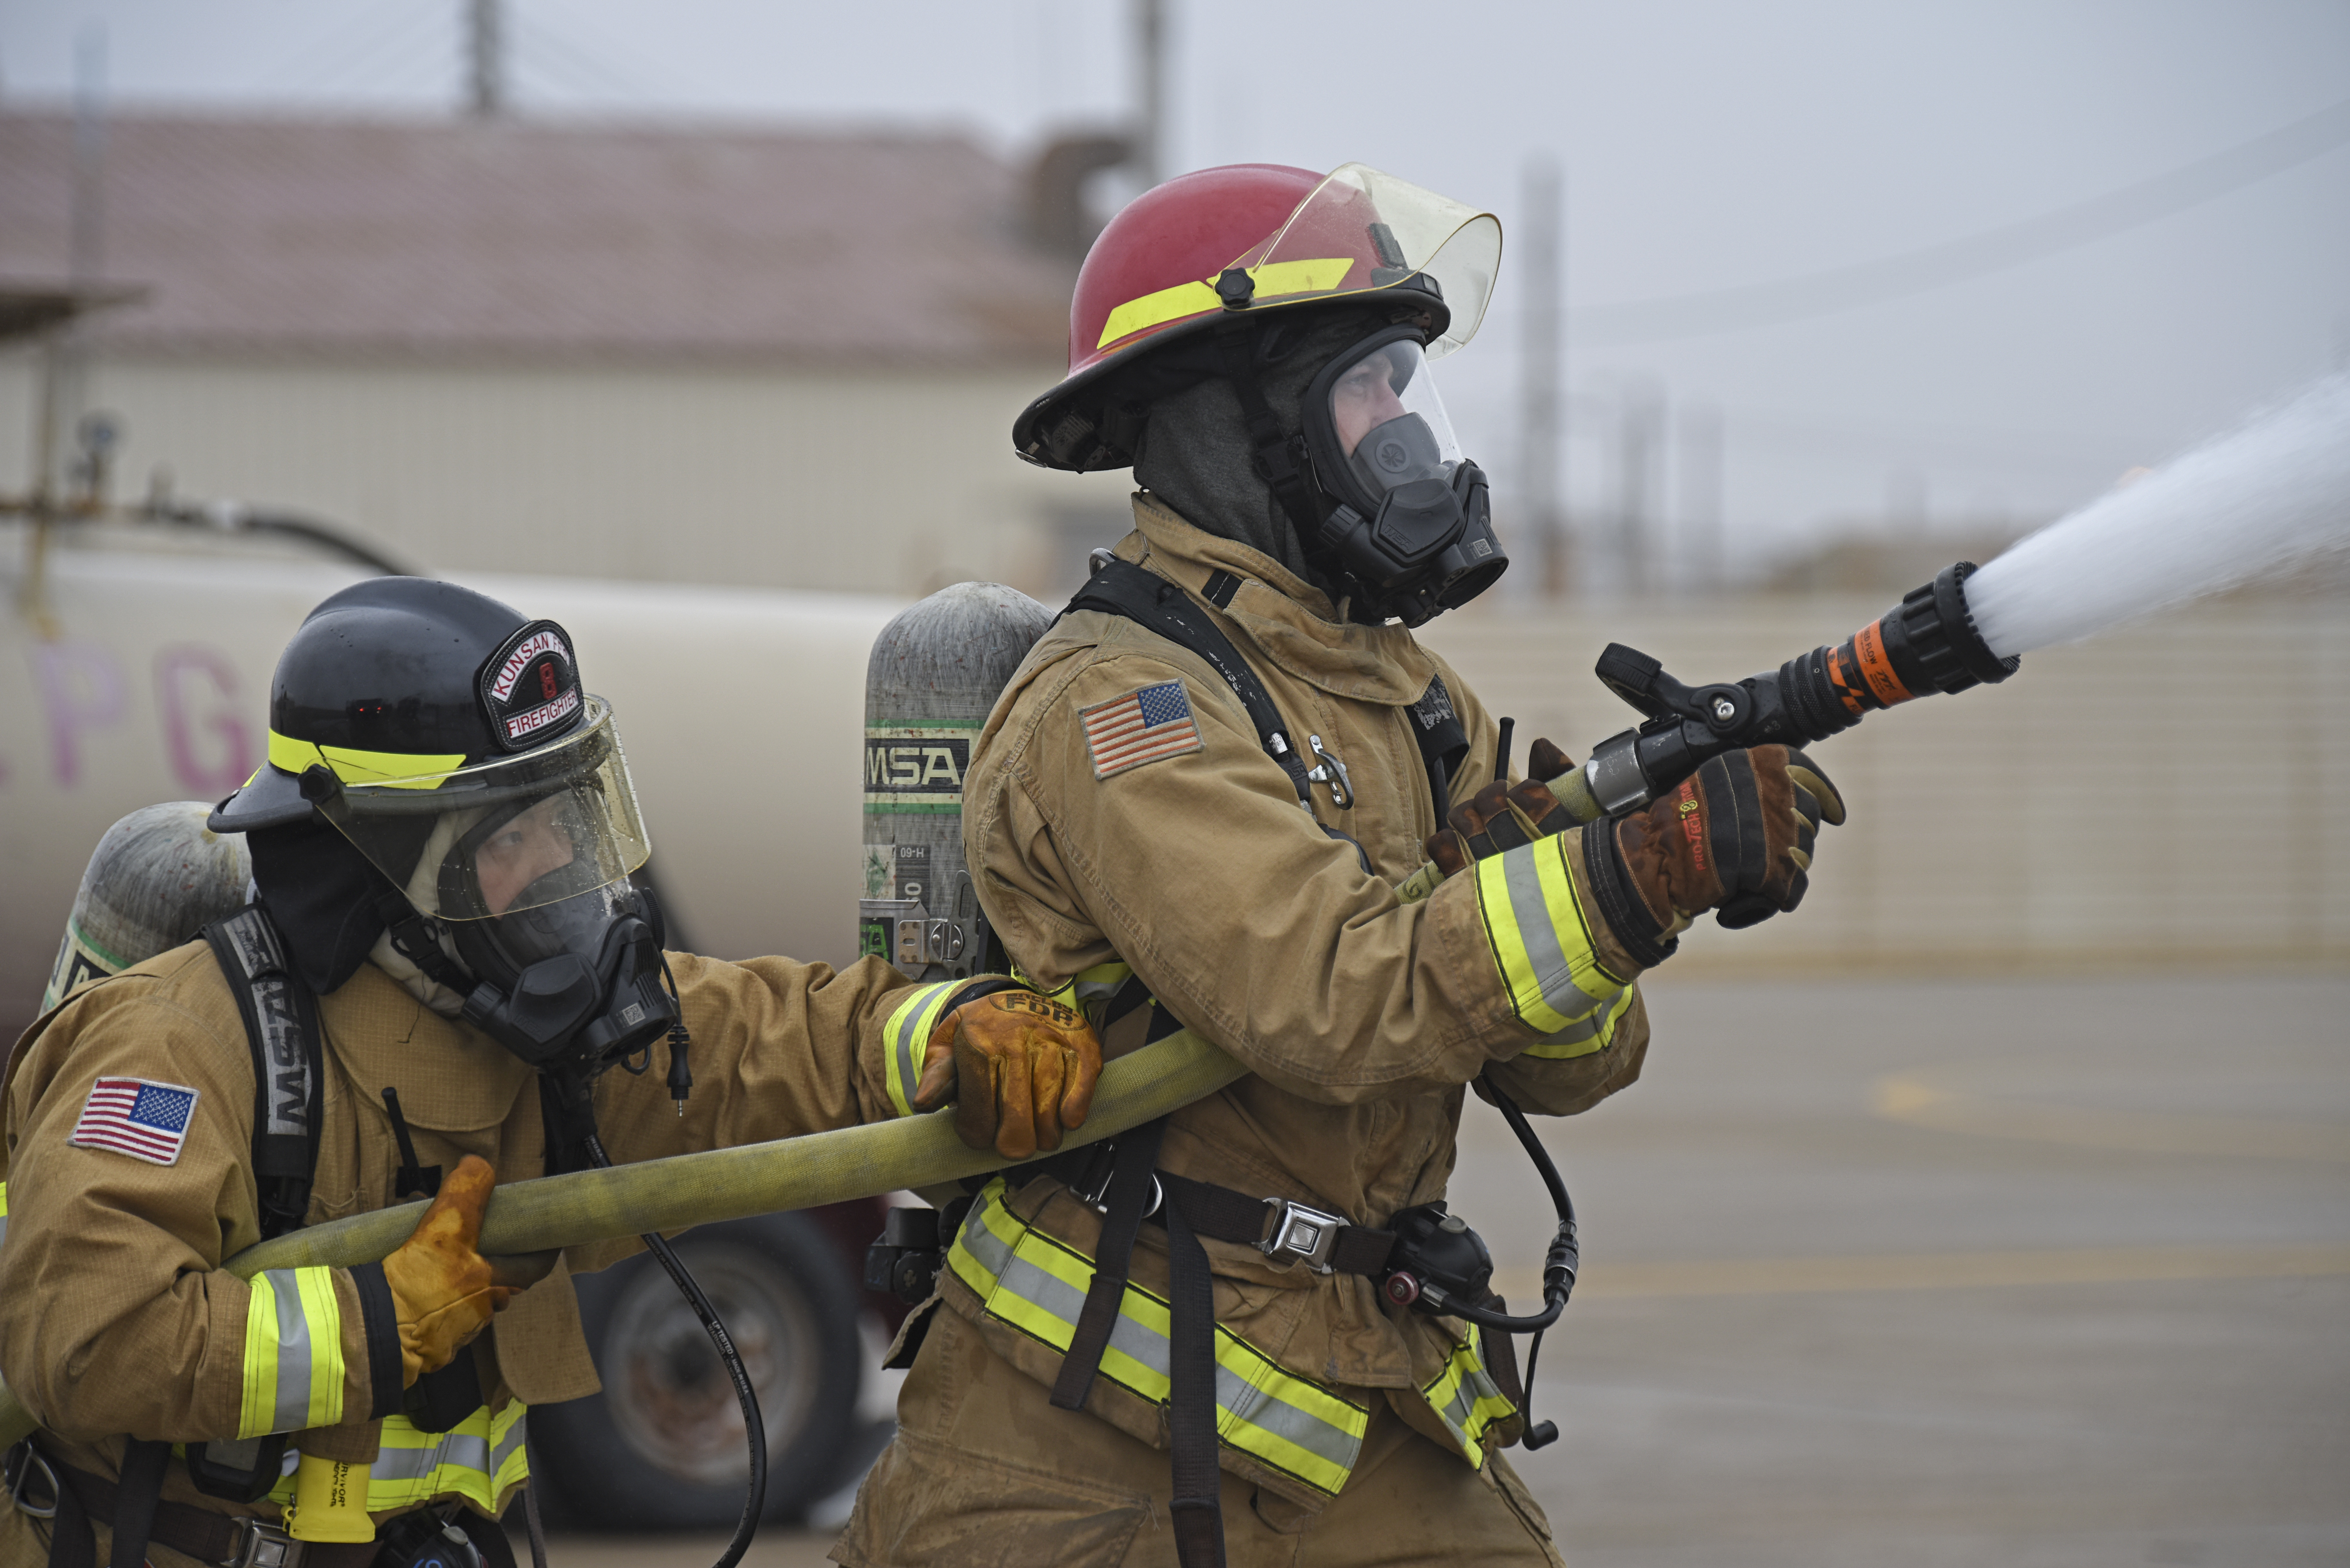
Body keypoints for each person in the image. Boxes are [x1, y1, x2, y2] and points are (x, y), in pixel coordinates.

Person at [837, 164, 1844, 1567]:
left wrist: (1619, 893)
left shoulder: (1408, 697)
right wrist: (1627, 881)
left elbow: (1569, 1068)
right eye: (1366, 387)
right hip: (1087, 1440)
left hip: (1343, 1373)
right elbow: (1324, 997)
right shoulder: (1122, 704)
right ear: (1228, 425)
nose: (1408, 432)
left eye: (1406, 384)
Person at [0, 577, 1102, 1568]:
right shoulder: (176, 1045)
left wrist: (953, 1026)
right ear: (386, 864)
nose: (565, 859)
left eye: (569, 813)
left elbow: (779, 1036)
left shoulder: (532, 1029)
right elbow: (90, 1337)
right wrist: (379, 1321)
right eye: (515, 833)